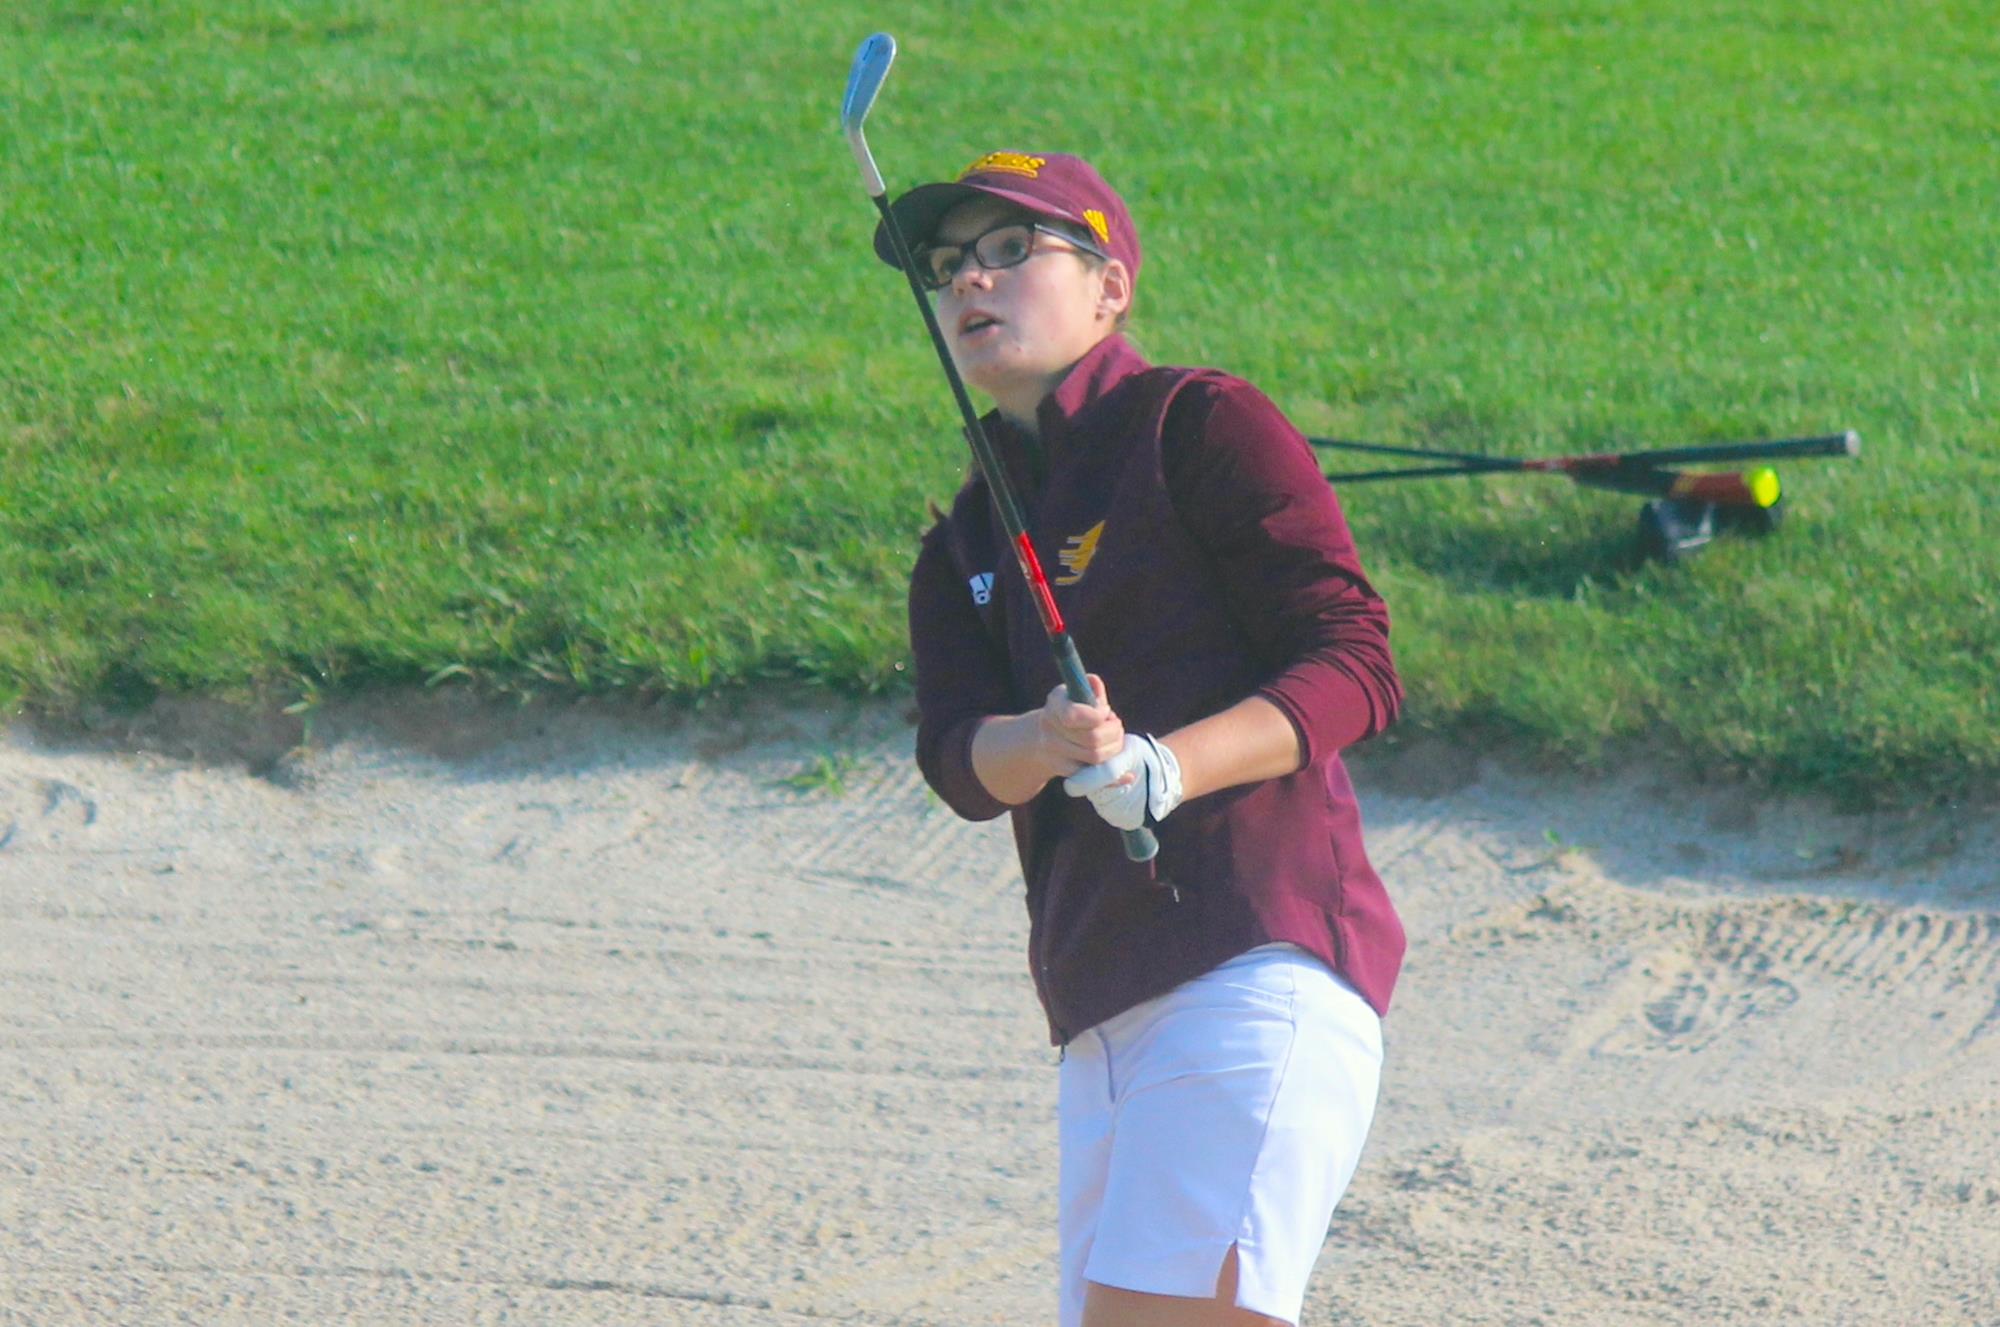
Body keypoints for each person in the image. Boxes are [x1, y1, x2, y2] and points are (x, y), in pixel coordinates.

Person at [882, 151, 1405, 1327]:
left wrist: (1164, 766)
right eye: (950, 263)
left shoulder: (1196, 419)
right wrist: (1046, 740)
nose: (971, 280)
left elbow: (1356, 663)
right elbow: (957, 761)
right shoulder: (963, 539)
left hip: (1250, 960)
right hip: (1097, 1011)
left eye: (1013, 250)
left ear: (1108, 287)